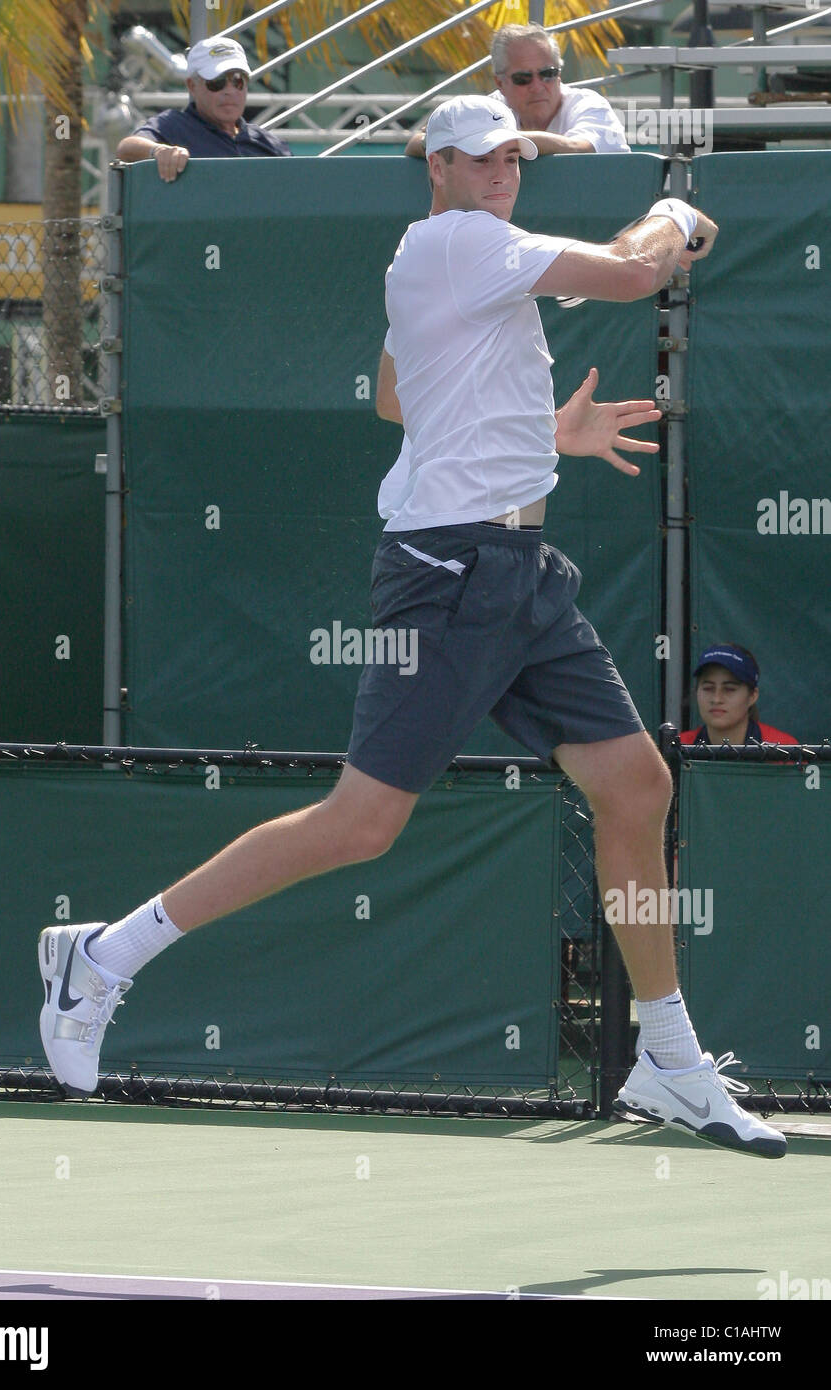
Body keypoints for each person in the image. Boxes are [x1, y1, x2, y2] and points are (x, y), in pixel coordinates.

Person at [38, 95, 785, 1160]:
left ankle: (665, 1055)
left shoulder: (447, 262)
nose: (500, 173)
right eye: (478, 159)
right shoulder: (455, 240)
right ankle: (105, 955)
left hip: (517, 572)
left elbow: (399, 397)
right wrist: (677, 211)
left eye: (512, 159)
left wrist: (548, 431)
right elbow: (630, 272)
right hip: (448, 574)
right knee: (360, 823)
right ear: (433, 166)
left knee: (635, 783)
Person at [405, 22, 629, 160]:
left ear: (559, 74)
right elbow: (415, 143)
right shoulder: (491, 109)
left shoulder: (588, 103)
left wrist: (480, 139)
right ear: (500, 84)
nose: (538, 85)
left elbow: (579, 148)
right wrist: (444, 139)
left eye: (548, 73)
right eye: (523, 78)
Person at [115, 37, 291, 181]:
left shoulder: (267, 142)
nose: (229, 91)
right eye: (217, 83)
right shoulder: (173, 126)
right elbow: (126, 148)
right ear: (192, 86)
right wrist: (159, 151)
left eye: (238, 81)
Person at [682, 644, 797, 746]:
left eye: (729, 689)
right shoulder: (679, 747)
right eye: (708, 688)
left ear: (752, 696)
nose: (716, 699)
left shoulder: (783, 748)